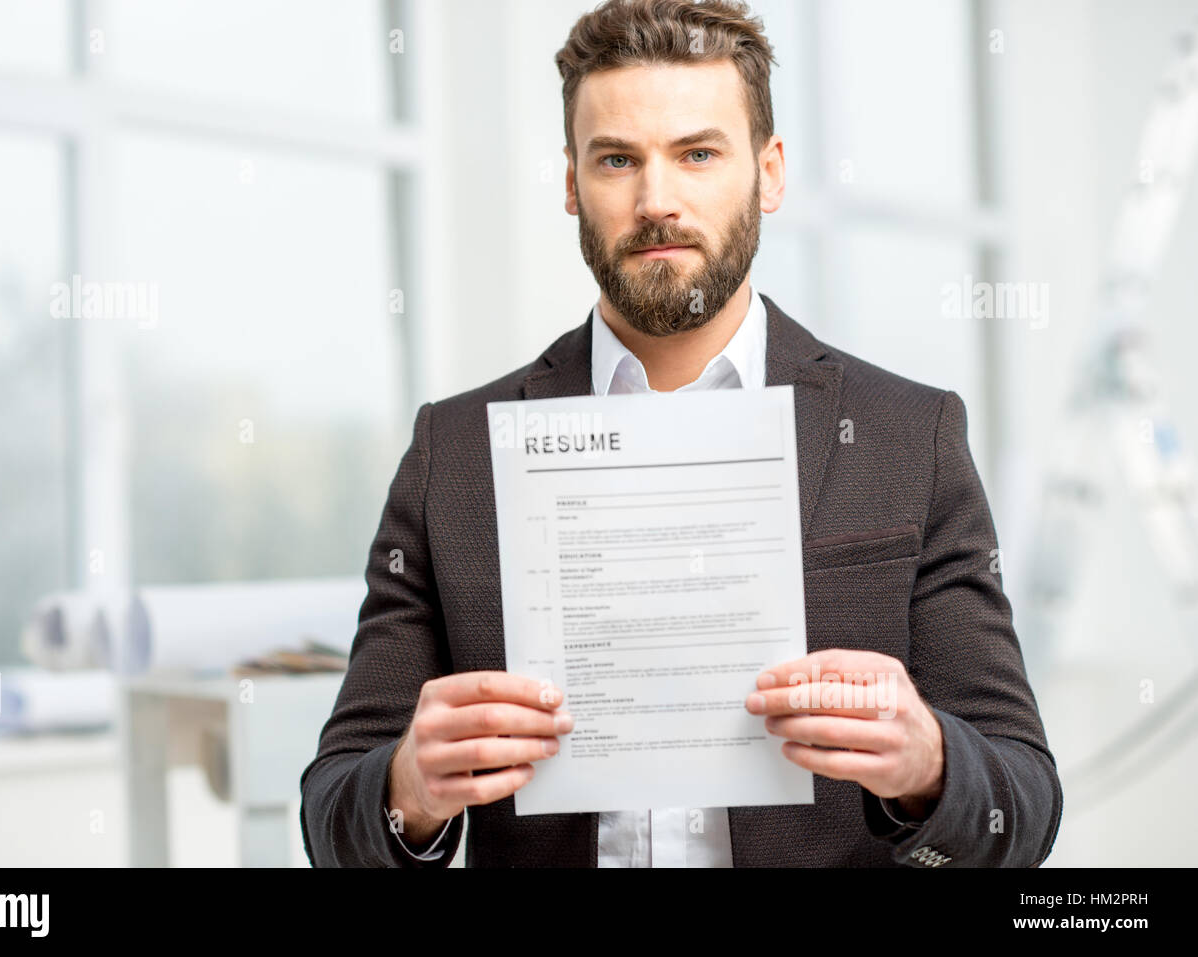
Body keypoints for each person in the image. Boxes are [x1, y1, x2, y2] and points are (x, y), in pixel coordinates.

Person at [299, 0, 1062, 868]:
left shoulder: (906, 437)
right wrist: (408, 789)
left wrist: (930, 763)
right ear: (570, 182)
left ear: (769, 173)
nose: (656, 201)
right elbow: (332, 817)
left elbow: (1024, 806)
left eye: (698, 153)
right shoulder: (458, 453)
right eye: (617, 159)